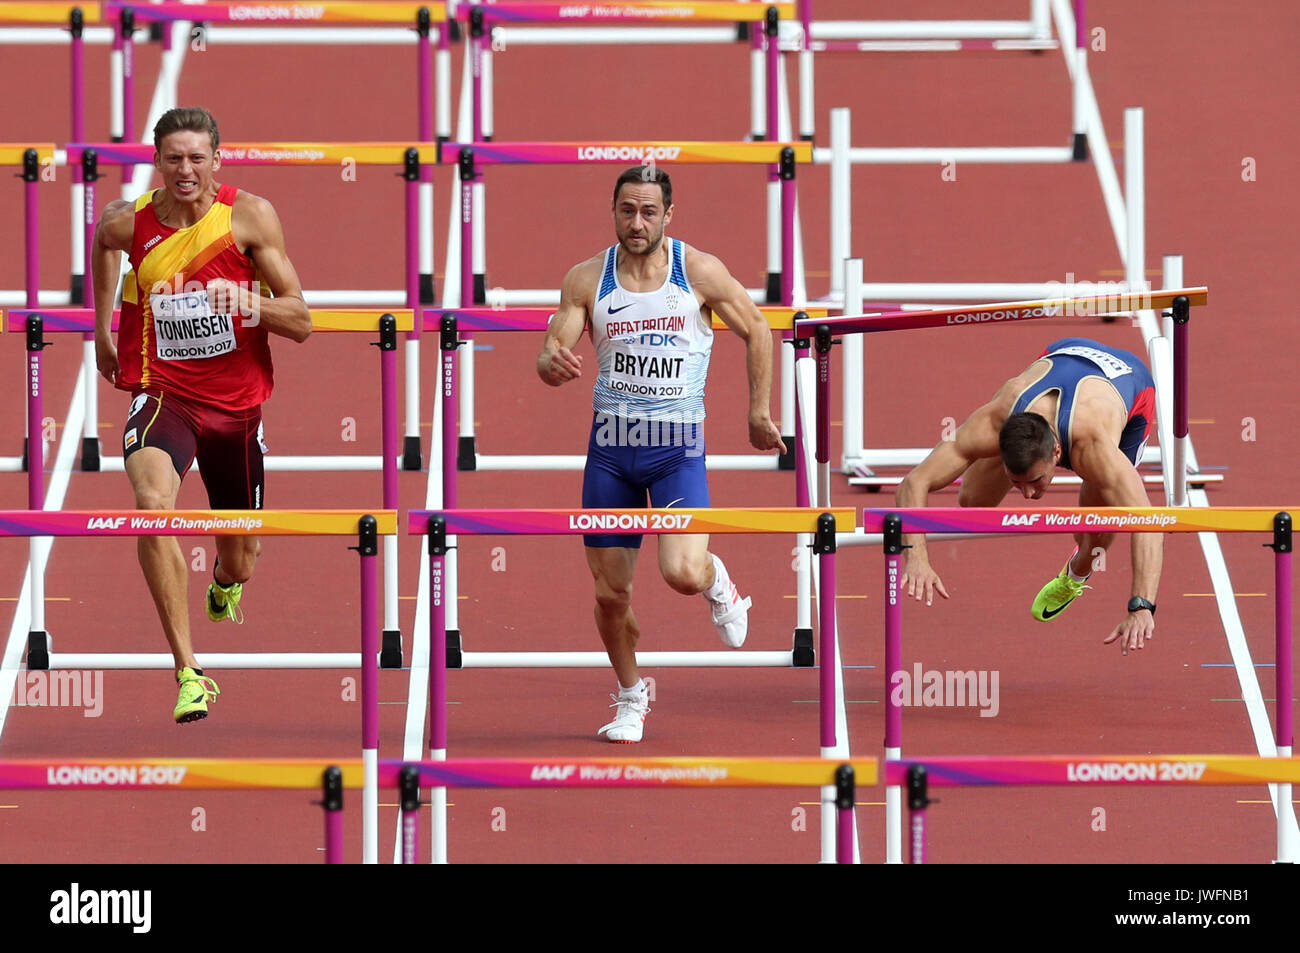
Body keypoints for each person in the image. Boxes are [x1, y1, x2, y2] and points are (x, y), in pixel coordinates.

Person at [537, 166, 786, 743]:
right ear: (614, 211)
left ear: (668, 215)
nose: (637, 222)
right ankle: (630, 696)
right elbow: (553, 350)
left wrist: (757, 412)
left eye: (649, 211)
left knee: (678, 572)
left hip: (676, 451)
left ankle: (714, 577)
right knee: (610, 594)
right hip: (610, 455)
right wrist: (549, 364)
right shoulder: (585, 279)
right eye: (627, 210)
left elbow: (758, 329)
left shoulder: (696, 271)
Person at [92, 107, 312, 723]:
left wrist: (248, 301)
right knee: (152, 505)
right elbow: (104, 250)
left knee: (242, 557)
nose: (185, 169)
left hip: (237, 409)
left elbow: (303, 320)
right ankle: (188, 670)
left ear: (217, 159)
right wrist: (103, 333)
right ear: (156, 162)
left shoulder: (249, 217)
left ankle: (224, 579)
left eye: (196, 158)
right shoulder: (126, 221)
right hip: (166, 394)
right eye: (173, 158)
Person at [896, 337, 1162, 655]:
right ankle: (1017, 465)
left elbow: (1147, 521)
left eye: (1036, 481)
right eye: (1017, 483)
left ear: (1058, 453)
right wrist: (917, 559)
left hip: (1131, 385)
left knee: (1093, 532)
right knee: (973, 503)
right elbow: (913, 482)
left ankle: (1075, 574)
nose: (1028, 495)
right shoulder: (994, 419)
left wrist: (1141, 606)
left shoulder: (1093, 448)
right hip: (1063, 352)